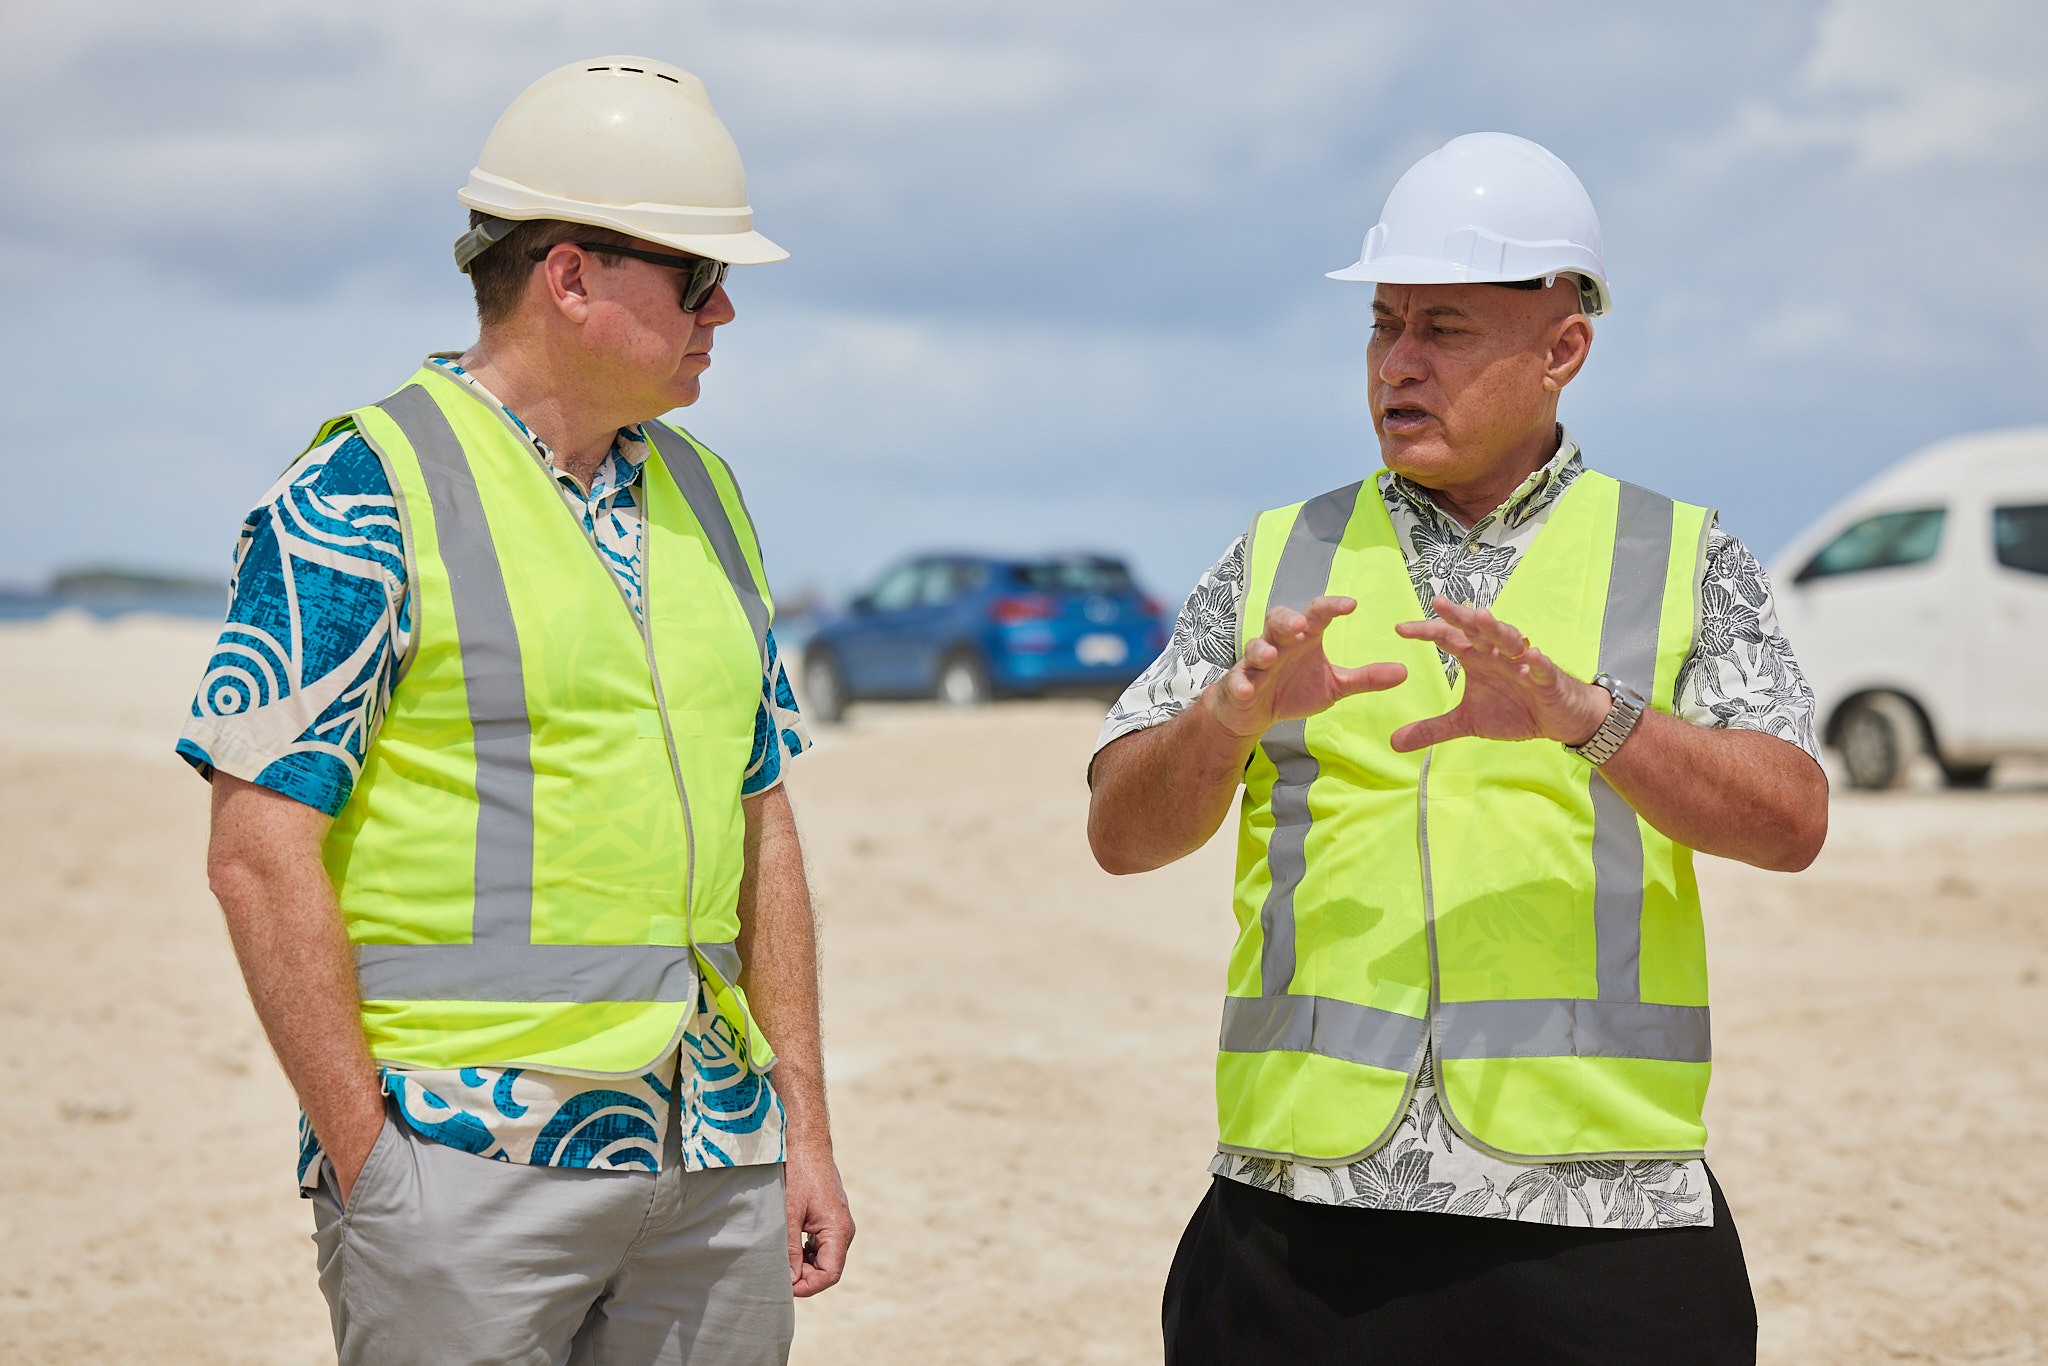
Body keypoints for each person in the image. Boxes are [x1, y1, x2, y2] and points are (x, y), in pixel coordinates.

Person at [1087, 132, 1827, 1365]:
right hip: (1296, 1216)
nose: (1399, 364)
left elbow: (1790, 819)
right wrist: (1225, 722)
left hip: (1595, 1212)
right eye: (1383, 326)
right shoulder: (1276, 556)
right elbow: (1119, 833)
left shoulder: (1682, 557)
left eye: (1445, 328)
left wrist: (1591, 720)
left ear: (1561, 350)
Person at [181, 56, 852, 1366]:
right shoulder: (361, 493)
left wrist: (801, 1126)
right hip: (459, 1162)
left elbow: (763, 822)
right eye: (698, 281)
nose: (723, 315)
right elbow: (256, 851)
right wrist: (377, 1170)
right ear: (571, 275)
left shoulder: (707, 498)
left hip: (713, 1155)